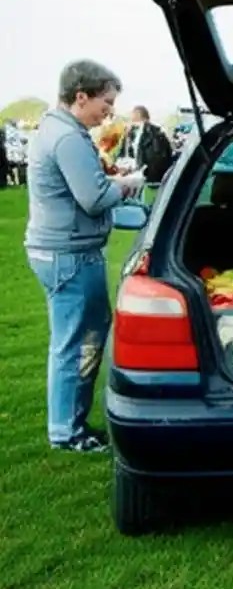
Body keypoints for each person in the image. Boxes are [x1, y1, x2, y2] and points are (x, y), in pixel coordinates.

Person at [25, 60, 145, 453]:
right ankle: (66, 432)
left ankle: (72, 423)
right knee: (74, 344)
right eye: (105, 103)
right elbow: (93, 198)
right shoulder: (68, 137)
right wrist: (127, 184)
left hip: (60, 252)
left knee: (80, 338)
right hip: (69, 256)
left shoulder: (55, 128)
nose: (108, 112)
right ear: (81, 96)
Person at [117, 105, 173, 185]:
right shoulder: (135, 131)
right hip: (147, 174)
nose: (131, 118)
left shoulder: (152, 133)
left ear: (139, 115)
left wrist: (140, 171)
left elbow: (154, 159)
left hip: (151, 177)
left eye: (133, 115)